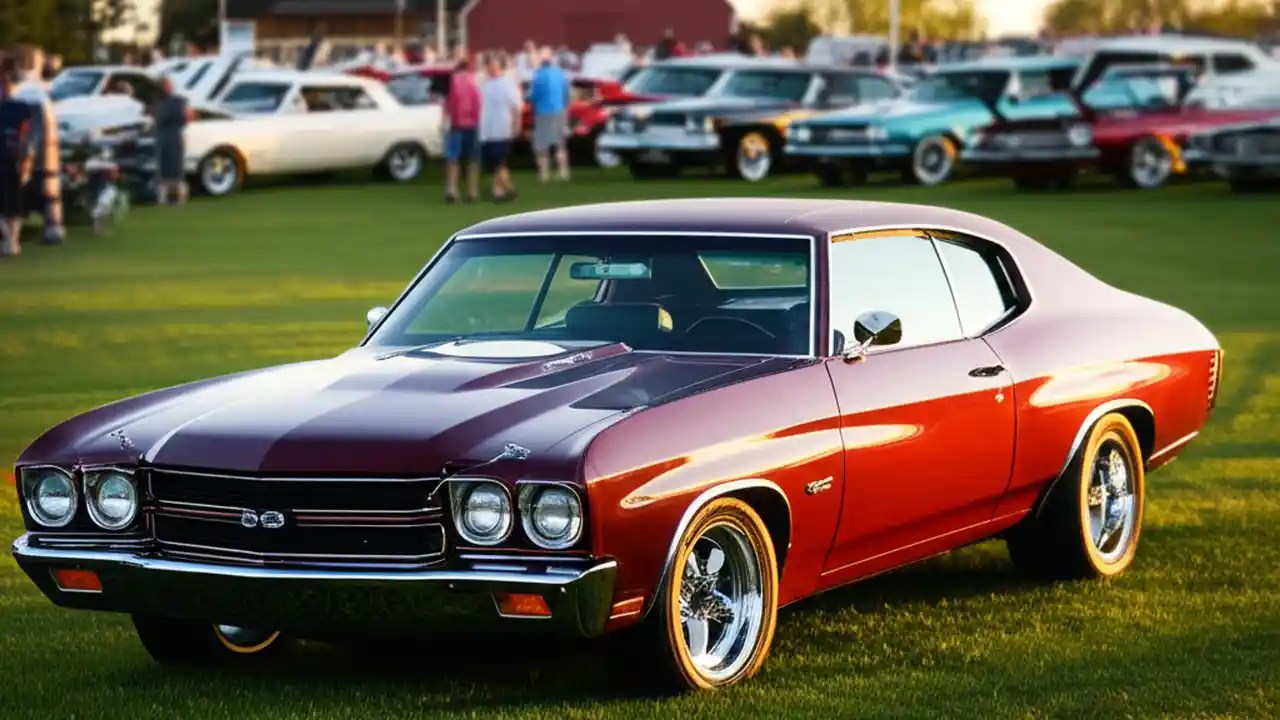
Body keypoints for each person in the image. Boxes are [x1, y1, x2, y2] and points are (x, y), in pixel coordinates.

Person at [13, 45, 63, 245]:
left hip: (34, 144)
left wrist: (26, 153)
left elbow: (30, 132)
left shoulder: (24, 93)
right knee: (49, 182)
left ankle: (13, 233)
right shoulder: (40, 91)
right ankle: (54, 226)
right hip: (47, 142)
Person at [1, 57, 36, 257]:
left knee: (13, 202)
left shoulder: (18, 108)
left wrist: (27, 160)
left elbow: (26, 136)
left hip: (13, 158)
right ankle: (9, 239)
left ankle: (12, 240)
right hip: (9, 158)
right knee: (8, 203)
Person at [478, 52, 521, 202]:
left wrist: (517, 124)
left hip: (502, 128)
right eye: (489, 66)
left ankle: (506, 188)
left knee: (499, 161)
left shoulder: (508, 83)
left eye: (493, 66)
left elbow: (516, 106)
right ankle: (500, 189)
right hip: (487, 130)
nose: (491, 69)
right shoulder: (484, 85)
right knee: (494, 162)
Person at [527, 47, 570, 183]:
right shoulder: (560, 74)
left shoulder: (538, 75)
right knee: (560, 144)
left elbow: (532, 96)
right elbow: (566, 94)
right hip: (559, 111)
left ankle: (544, 174)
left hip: (542, 112)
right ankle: (563, 171)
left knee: (542, 146)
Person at [442, 57, 481, 203]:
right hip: (472, 124)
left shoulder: (454, 82)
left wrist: (449, 118)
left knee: (453, 159)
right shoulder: (474, 81)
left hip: (456, 125)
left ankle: (452, 189)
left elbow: (449, 104)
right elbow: (478, 102)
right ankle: (472, 191)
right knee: (473, 159)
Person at [152, 76, 193, 205]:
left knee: (176, 167)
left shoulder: (179, 101)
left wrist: (185, 118)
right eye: (165, 85)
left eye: (169, 85)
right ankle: (163, 198)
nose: (167, 87)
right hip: (162, 136)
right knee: (163, 167)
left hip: (174, 135)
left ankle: (179, 197)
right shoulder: (157, 102)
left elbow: (189, 116)